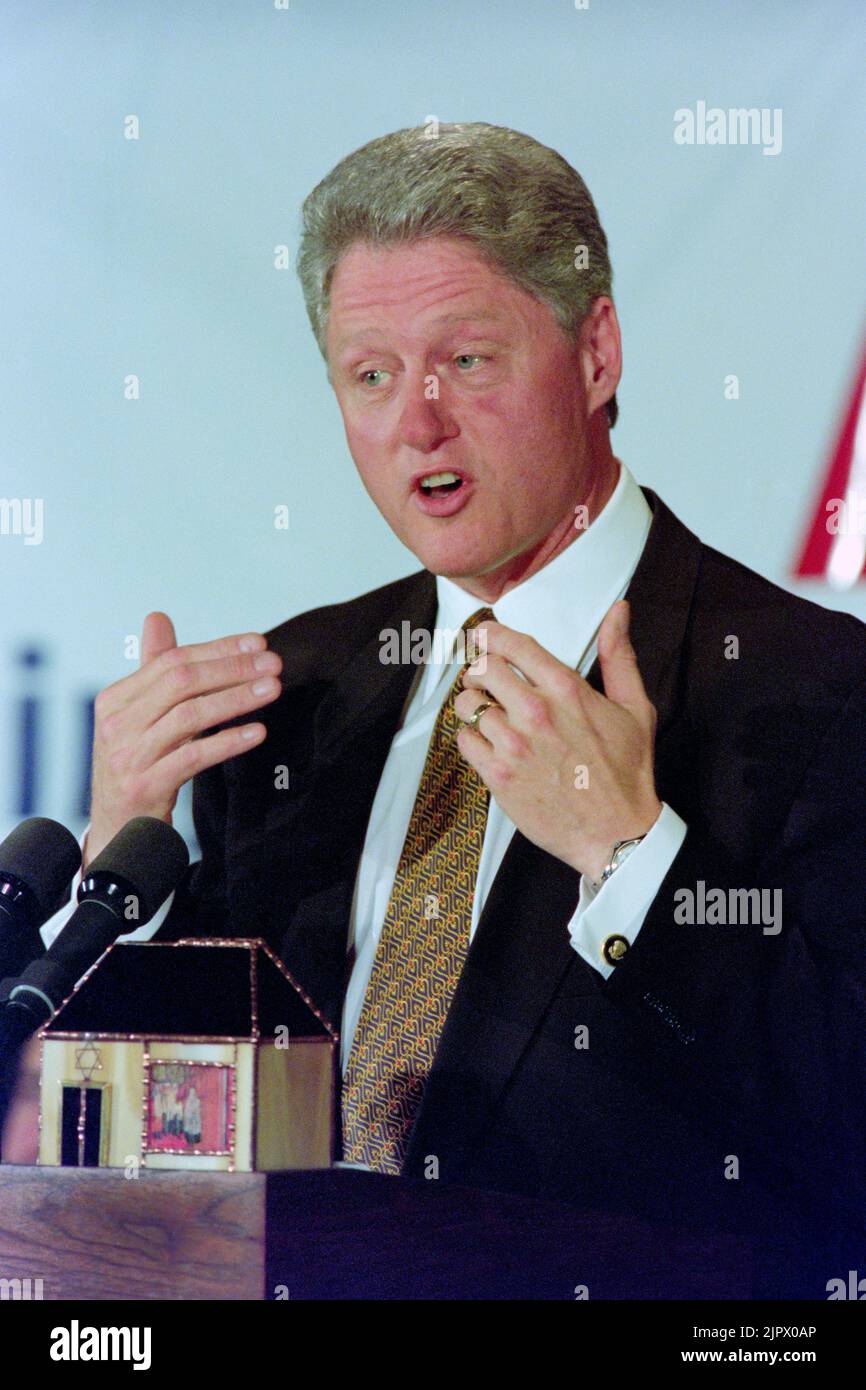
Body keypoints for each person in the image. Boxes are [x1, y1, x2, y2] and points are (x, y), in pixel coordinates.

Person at [34, 124, 866, 1294]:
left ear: (594, 354)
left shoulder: (812, 691)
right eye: (370, 375)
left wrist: (630, 858)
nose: (416, 422)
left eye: (466, 360)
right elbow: (162, 1158)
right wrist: (125, 876)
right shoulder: (290, 695)